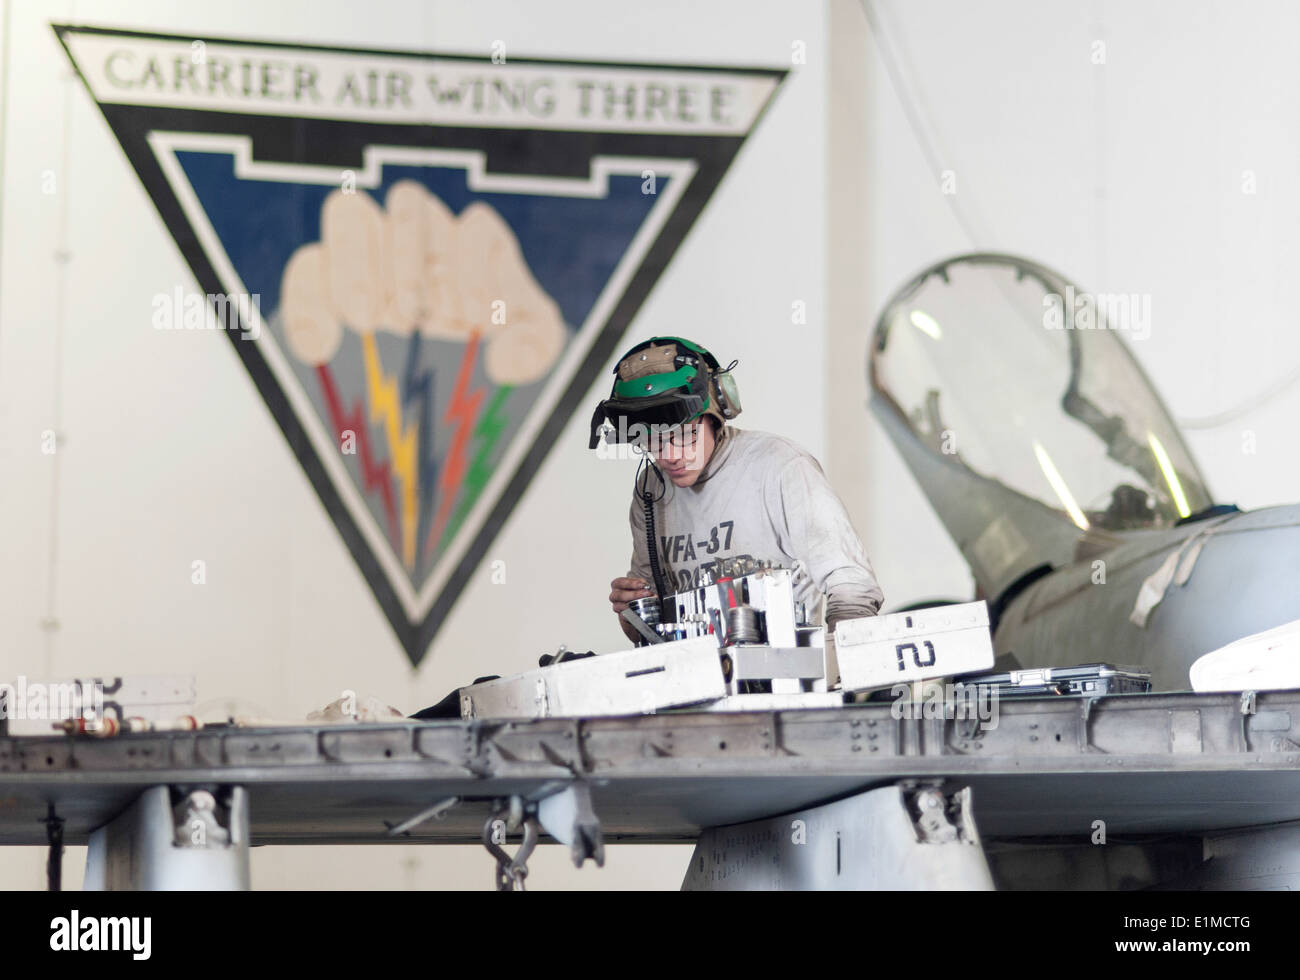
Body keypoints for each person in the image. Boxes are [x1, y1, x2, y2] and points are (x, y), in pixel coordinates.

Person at [588, 336, 884, 648]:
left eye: (685, 435)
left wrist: (839, 664)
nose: (670, 455)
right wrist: (634, 613)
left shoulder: (780, 467)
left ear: (718, 411)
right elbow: (653, 626)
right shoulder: (651, 489)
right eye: (653, 441)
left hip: (786, 683)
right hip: (693, 683)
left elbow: (852, 585)